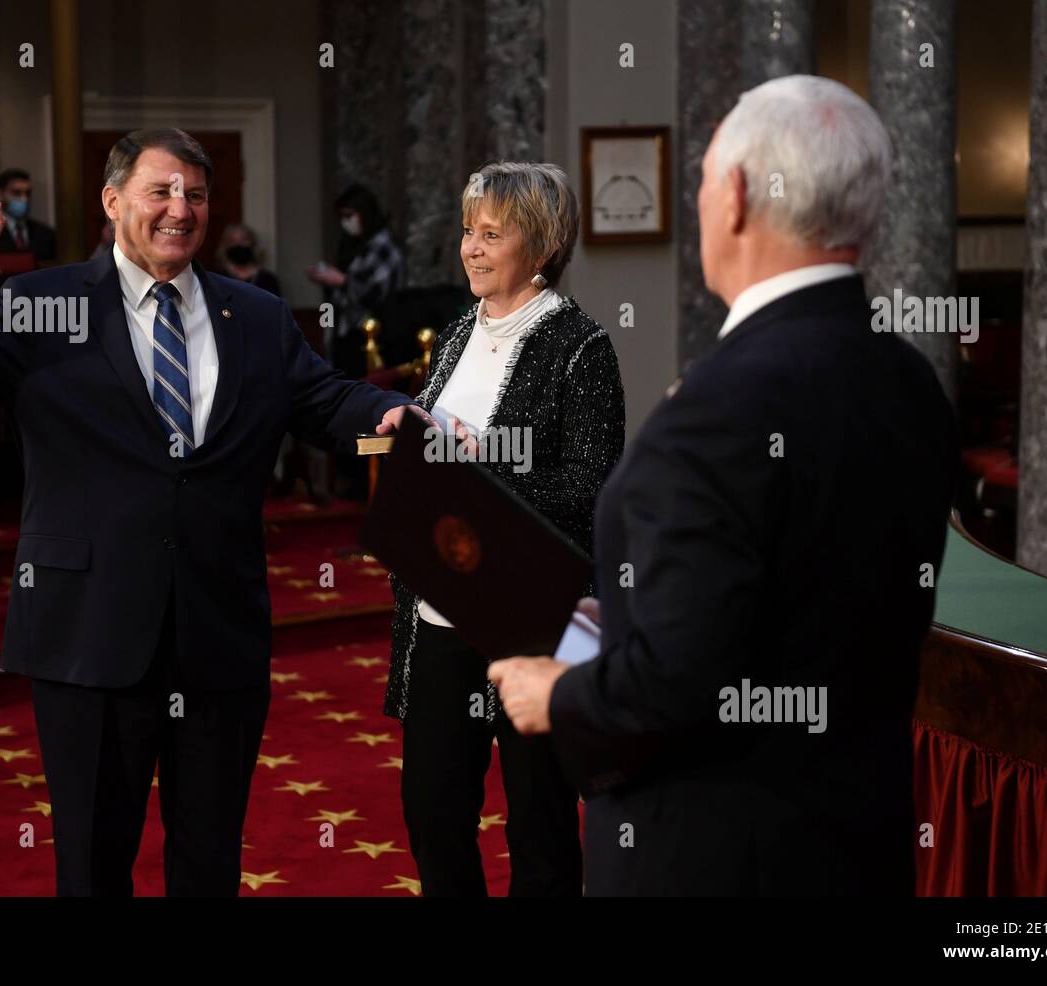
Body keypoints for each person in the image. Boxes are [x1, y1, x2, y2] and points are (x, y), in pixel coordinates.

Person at [0, 130, 423, 896]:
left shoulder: (259, 317)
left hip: (218, 640)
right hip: (88, 639)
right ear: (113, 202)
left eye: (197, 195)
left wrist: (395, 413)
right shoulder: (45, 305)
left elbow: (329, 400)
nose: (182, 210)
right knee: (94, 864)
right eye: (162, 191)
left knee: (208, 865)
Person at [490, 76, 959, 896]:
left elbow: (675, 686)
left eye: (704, 178)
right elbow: (803, 595)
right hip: (859, 842)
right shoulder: (909, 375)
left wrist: (559, 694)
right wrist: (630, 611)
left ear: (736, 194)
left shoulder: (716, 410)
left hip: (716, 855)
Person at [384, 162, 626, 896]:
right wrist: (410, 439)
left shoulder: (581, 346)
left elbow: (594, 489)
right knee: (432, 815)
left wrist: (482, 467)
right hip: (437, 612)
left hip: (532, 623)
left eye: (493, 233)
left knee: (541, 830)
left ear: (543, 245)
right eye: (468, 231)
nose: (471, 248)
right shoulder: (455, 335)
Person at [306, 184, 404, 377]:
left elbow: (375, 295)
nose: (346, 223)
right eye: (342, 217)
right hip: (345, 332)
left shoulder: (383, 246)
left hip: (375, 335)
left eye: (349, 216)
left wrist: (342, 281)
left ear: (365, 214)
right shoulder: (353, 245)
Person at [0, 167, 57, 261]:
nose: (24, 199)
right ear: (0, 195)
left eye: (28, 193)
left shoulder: (46, 234)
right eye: (16, 193)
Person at [216, 222, 281, 297]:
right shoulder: (218, 278)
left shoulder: (268, 279)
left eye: (243, 240)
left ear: (252, 243)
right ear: (225, 246)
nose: (238, 244)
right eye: (232, 241)